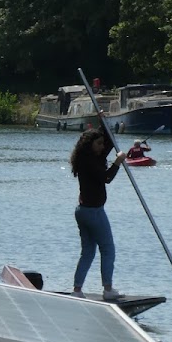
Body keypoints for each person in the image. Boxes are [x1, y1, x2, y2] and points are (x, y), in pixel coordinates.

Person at [70, 128, 126, 300]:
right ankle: (108, 290)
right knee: (108, 249)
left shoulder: (89, 157)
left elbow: (107, 141)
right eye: (98, 144)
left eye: (102, 144)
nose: (102, 147)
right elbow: (106, 178)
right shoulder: (89, 162)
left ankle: (77, 290)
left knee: (88, 252)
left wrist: (104, 119)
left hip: (83, 211)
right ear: (89, 145)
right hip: (93, 212)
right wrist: (118, 162)